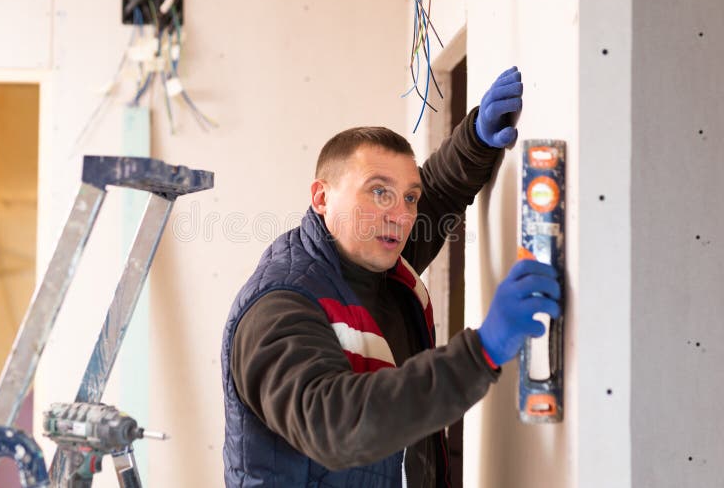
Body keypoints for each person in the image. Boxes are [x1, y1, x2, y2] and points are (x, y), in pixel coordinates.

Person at [221, 67, 561, 488]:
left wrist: (474, 141)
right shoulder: (279, 306)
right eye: (378, 191)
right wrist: (481, 352)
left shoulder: (373, 260)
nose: (400, 216)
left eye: (408, 197)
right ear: (322, 198)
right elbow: (335, 426)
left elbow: (435, 197)